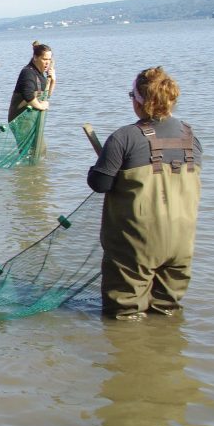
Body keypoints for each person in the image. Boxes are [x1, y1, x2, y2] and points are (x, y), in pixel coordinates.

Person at [87, 67, 202, 319]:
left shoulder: (123, 138)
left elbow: (99, 184)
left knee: (125, 317)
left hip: (136, 244)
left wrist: (97, 168)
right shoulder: (190, 137)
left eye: (131, 95)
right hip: (182, 241)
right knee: (167, 313)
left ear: (141, 101)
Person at [7, 41, 52, 123]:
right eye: (44, 59)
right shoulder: (28, 72)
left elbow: (46, 95)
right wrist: (40, 106)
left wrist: (53, 80)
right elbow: (27, 94)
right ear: (35, 57)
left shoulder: (40, 75)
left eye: (49, 59)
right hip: (20, 122)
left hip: (32, 120)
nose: (47, 63)